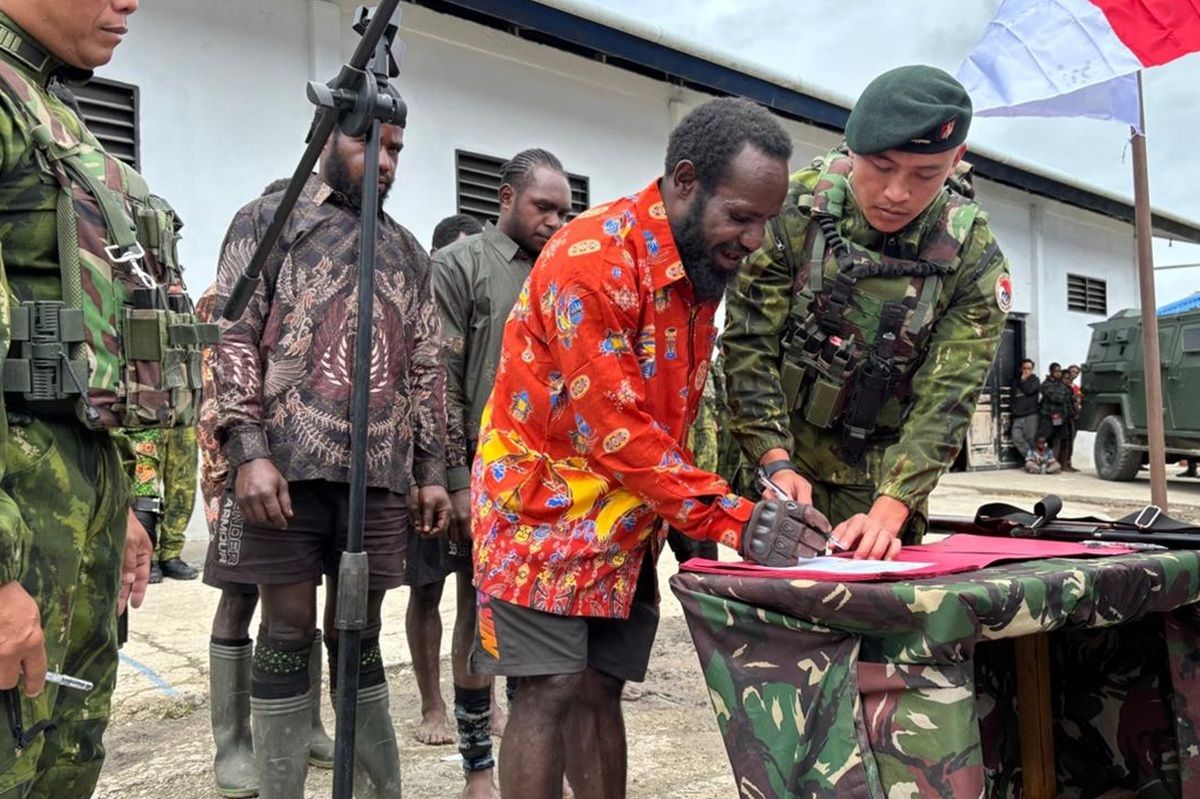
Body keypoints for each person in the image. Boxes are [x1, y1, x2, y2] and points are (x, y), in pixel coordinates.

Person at [470, 97, 829, 799]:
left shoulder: (700, 266)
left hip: (629, 516)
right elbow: (617, 429)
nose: (755, 240)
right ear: (686, 181)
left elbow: (673, 415)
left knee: (601, 687)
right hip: (541, 516)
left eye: (766, 221)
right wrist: (733, 518)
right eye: (742, 216)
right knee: (548, 687)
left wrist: (752, 484)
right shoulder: (592, 259)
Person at [0, 0, 215, 793]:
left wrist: (124, 500)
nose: (128, 1)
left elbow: (99, 340)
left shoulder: (52, 111)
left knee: (64, 758)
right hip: (18, 526)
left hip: (77, 507)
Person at [207, 107, 450, 797]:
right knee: (286, 626)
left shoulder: (407, 250)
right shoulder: (268, 222)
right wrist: (248, 448)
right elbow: (232, 334)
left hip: (378, 477)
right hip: (284, 472)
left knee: (361, 630)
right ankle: (278, 783)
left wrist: (431, 470)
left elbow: (427, 366)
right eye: (368, 142)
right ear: (323, 136)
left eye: (397, 149)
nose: (386, 163)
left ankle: (378, 788)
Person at [723, 65, 1012, 558]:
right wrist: (774, 461)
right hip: (776, 459)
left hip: (882, 480)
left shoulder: (973, 260)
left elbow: (946, 401)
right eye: (881, 166)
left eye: (926, 174)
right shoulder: (791, 213)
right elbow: (748, 348)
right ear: (852, 146)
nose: (897, 193)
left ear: (957, 158)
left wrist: (890, 509)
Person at [412, 153, 572, 798]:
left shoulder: (567, 267)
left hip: (556, 484)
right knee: (474, 615)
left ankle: (538, 766)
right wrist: (454, 477)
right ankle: (478, 770)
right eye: (543, 207)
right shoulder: (460, 266)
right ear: (506, 198)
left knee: (546, 628)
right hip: (484, 478)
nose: (555, 221)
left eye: (565, 212)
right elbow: (440, 381)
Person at [1039, 362, 1074, 467]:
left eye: (1059, 371)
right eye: (1056, 371)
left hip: (1058, 416)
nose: (1058, 373)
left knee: (1057, 439)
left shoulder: (1061, 384)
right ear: (1051, 372)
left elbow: (1069, 397)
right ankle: (1040, 461)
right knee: (1043, 438)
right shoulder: (1046, 384)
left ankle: (1053, 463)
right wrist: (1065, 395)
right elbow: (1056, 398)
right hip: (1048, 416)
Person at [1010, 359, 1040, 460]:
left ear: (1032, 369)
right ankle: (1032, 458)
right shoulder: (1016, 381)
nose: (1026, 371)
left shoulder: (1035, 380)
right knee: (1016, 438)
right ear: (1020, 369)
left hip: (1030, 415)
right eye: (1024, 368)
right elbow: (1013, 397)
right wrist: (1013, 410)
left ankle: (1034, 462)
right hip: (1017, 415)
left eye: (1029, 369)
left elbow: (1029, 390)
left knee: (1031, 440)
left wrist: (1023, 380)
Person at [1060, 364, 1082, 472]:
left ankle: (1068, 462)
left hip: (1074, 416)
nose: (1074, 374)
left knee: (1071, 441)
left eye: (1076, 372)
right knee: (1063, 441)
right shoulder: (1062, 387)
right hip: (1064, 416)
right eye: (1072, 371)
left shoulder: (1076, 388)